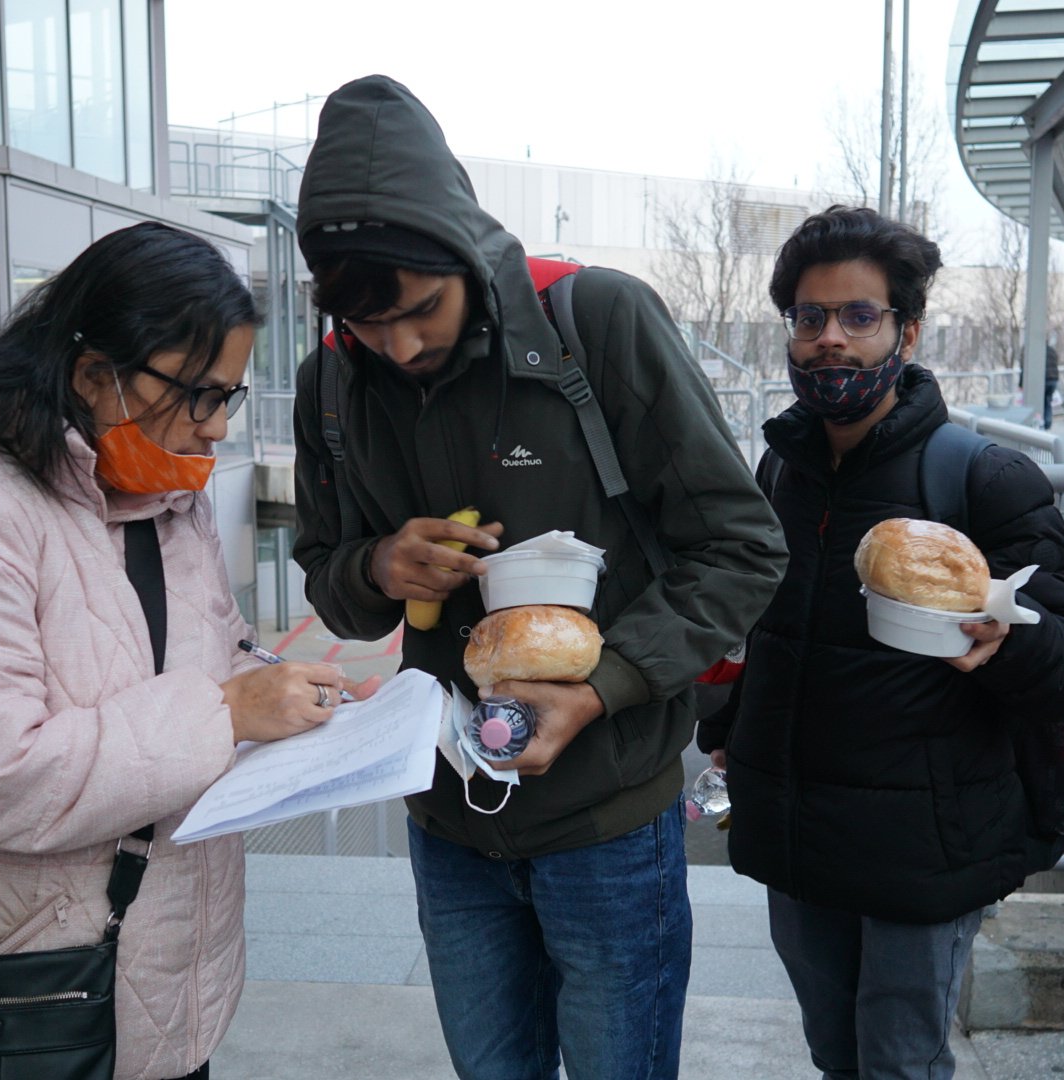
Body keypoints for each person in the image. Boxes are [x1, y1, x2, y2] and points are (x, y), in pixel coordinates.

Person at [0, 223, 379, 1080]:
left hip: (143, 993)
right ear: (95, 374)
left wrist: (294, 699)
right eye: (199, 395)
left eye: (230, 398)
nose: (213, 432)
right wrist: (226, 712)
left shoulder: (161, 493)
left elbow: (202, 662)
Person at [290, 75, 786, 1079]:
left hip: (607, 822)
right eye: (367, 324)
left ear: (462, 252)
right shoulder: (334, 382)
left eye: (420, 310)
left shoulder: (596, 322)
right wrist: (378, 564)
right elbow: (325, 574)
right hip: (448, 814)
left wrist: (603, 687)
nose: (401, 345)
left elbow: (742, 547)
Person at [698, 206, 1064, 1079]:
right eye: (809, 318)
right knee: (834, 1054)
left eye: (859, 316)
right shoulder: (781, 469)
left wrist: (1004, 647)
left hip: (925, 839)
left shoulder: (981, 476)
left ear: (907, 331)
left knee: (898, 1062)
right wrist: (731, 726)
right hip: (798, 831)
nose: (829, 341)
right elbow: (782, 631)